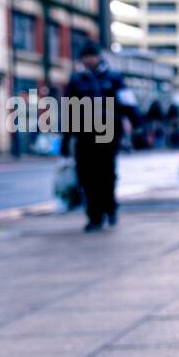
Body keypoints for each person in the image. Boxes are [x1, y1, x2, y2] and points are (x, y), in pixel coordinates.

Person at [64, 42, 135, 232]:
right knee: (86, 177)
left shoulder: (113, 78)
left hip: (108, 132)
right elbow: (68, 109)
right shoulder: (76, 80)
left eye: (91, 56)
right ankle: (94, 217)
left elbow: (127, 103)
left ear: (98, 57)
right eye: (84, 56)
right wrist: (66, 138)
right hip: (84, 133)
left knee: (106, 174)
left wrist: (133, 123)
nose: (88, 60)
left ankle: (110, 208)